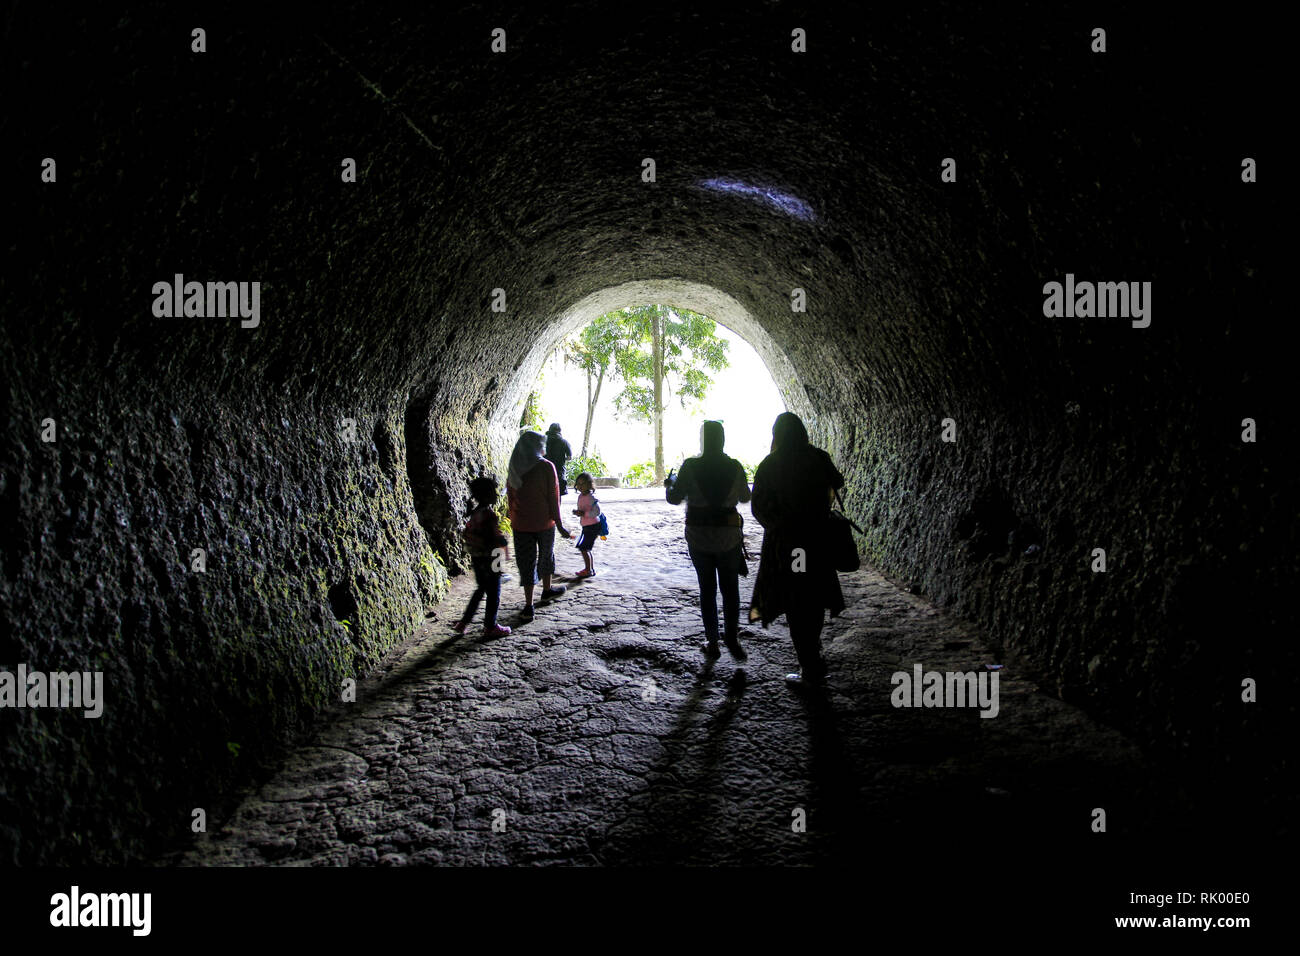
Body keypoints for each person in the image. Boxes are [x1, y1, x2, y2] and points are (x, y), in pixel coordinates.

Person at [749, 411, 846, 688]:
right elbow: (838, 482)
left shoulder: (770, 464)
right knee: (814, 594)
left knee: (796, 599)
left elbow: (759, 507)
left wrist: (778, 526)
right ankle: (812, 653)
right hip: (817, 541)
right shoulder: (818, 457)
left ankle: (809, 665)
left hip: (790, 546)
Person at [665, 420, 752, 660]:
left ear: (702, 440)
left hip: (699, 536)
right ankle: (732, 637)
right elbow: (746, 497)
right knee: (730, 589)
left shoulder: (690, 466)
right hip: (728, 536)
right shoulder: (735, 466)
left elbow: (674, 498)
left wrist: (669, 486)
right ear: (723, 439)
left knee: (707, 588)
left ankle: (712, 641)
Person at [507, 430, 573, 621]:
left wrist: (514, 519)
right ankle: (546, 590)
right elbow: (553, 498)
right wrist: (559, 525)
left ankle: (529, 605)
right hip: (544, 522)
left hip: (521, 524)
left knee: (526, 562)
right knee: (546, 555)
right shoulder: (546, 466)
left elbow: (510, 497)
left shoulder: (515, 465)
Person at [453, 476, 512, 638]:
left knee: (480, 590)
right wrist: (502, 541)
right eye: (493, 491)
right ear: (487, 495)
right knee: (494, 592)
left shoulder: (475, 513)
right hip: (491, 558)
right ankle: (490, 626)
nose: (496, 494)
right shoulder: (489, 515)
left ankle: (463, 622)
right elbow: (492, 538)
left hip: (477, 557)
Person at [570, 472, 602, 579]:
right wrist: (578, 512)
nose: (580, 486)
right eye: (578, 484)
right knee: (585, 548)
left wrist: (584, 514)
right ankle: (590, 569)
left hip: (593, 526)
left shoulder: (591, 497)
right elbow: (583, 510)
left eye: (583, 484)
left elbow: (597, 512)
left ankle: (588, 570)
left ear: (589, 484)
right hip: (586, 526)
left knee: (584, 548)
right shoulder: (580, 496)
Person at [544, 423, 573, 496]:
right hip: (559, 472)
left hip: (545, 470)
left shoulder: (543, 441)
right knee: (558, 494)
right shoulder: (564, 442)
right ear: (560, 431)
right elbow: (569, 457)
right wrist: (562, 458)